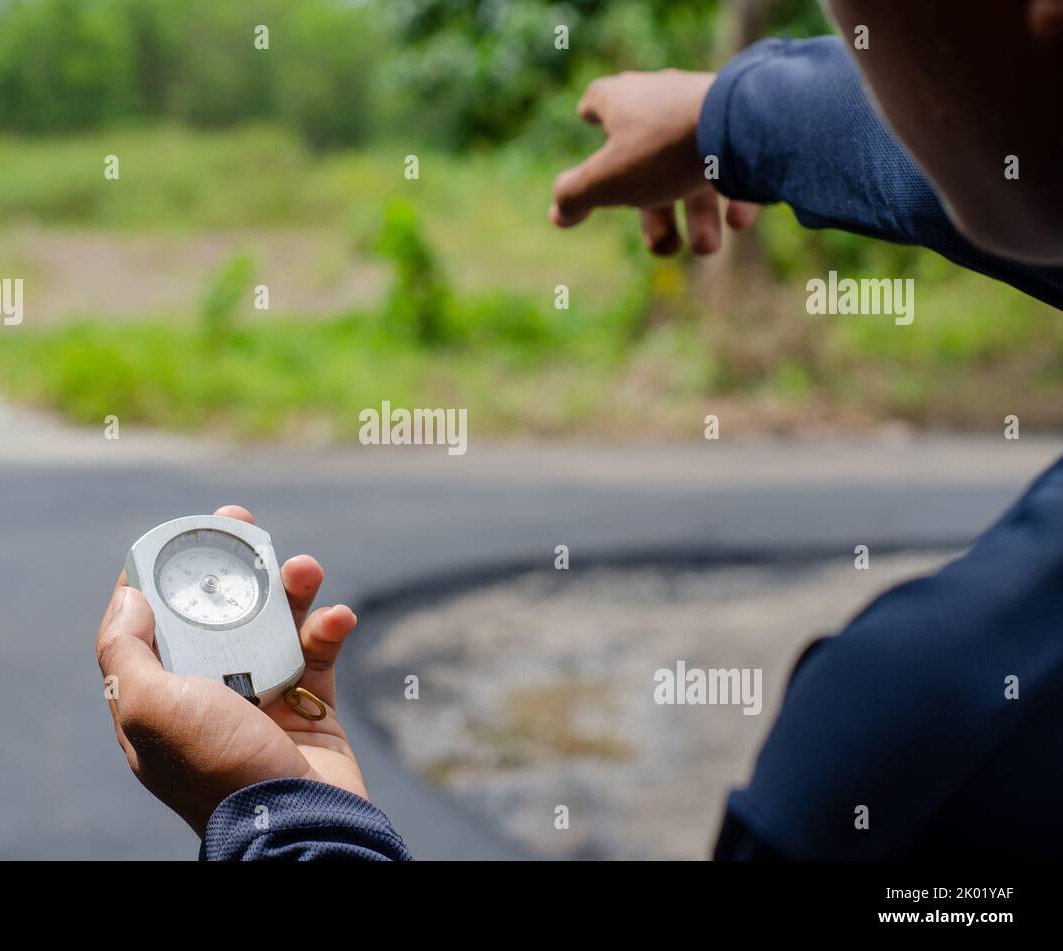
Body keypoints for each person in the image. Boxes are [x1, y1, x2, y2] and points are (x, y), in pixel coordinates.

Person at [96, 2, 1063, 860]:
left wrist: (285, 821)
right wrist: (729, 117)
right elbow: (1013, 140)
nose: (854, 37)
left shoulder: (911, 760)